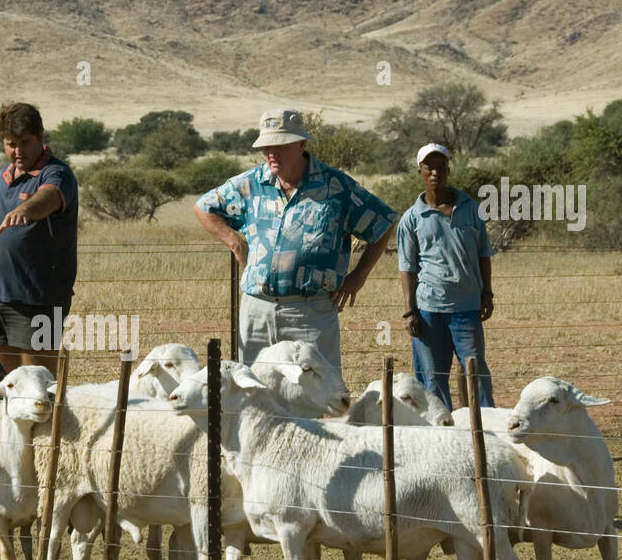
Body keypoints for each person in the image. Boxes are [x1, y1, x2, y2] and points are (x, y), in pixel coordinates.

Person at [194, 108, 398, 371]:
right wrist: (234, 242)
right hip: (257, 310)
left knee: (315, 395)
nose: (271, 153)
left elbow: (383, 222)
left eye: (280, 145)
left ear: (302, 144)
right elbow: (203, 207)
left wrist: (359, 276)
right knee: (257, 392)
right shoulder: (250, 184)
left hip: (311, 313)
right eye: (266, 146)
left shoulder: (336, 187)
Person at [397, 142, 495, 409]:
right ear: (419, 171)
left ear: (448, 170)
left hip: (467, 306)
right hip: (428, 308)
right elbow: (407, 268)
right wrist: (410, 312)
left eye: (441, 168)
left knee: (476, 373)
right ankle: (442, 434)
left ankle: (486, 430)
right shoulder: (412, 218)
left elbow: (483, 254)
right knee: (432, 378)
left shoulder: (471, 209)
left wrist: (487, 292)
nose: (435, 173)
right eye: (429, 168)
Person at [0, 101, 78, 373]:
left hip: (40, 297)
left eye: (25, 142)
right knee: (2, 380)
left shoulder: (57, 174)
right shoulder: (6, 174)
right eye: (10, 143)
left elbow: (48, 197)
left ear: (40, 137)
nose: (17, 151)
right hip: (1, 295)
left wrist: (25, 209)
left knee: (39, 383)